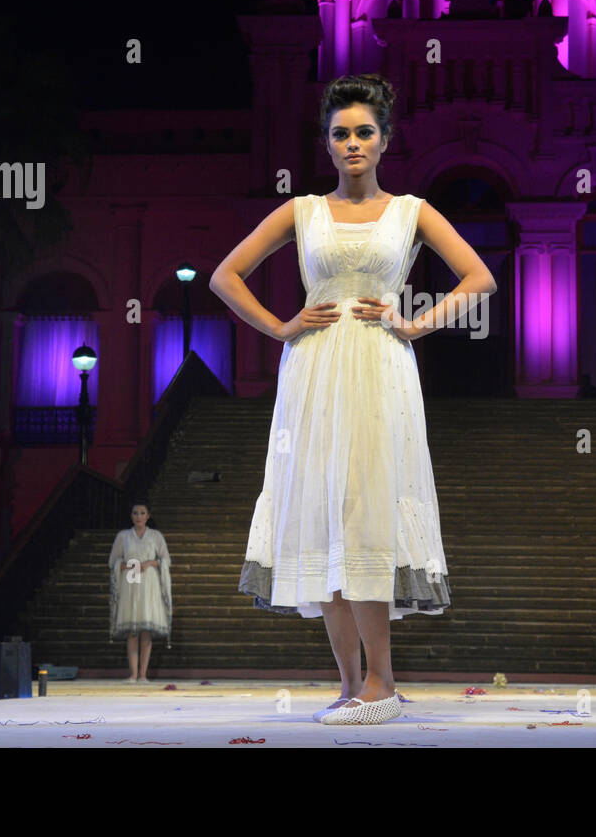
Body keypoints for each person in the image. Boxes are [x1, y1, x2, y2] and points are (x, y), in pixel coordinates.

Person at [209, 73, 497, 725]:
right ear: (327, 144)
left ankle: (382, 683)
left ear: (386, 139)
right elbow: (226, 275)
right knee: (322, 518)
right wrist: (281, 326)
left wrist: (416, 322)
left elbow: (479, 276)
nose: (353, 143)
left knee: (367, 515)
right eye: (340, 133)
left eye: (365, 131)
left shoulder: (412, 211)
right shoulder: (302, 210)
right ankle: (348, 685)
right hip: (312, 372)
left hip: (380, 370)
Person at [108, 502, 173, 683]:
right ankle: (133, 674)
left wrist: (151, 563)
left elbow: (165, 559)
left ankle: (143, 674)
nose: (138, 516)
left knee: (146, 631)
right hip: (131, 579)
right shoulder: (124, 536)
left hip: (148, 582)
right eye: (135, 513)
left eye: (142, 513)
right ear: (131, 516)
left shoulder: (155, 536)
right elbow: (113, 560)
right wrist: (123, 565)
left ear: (148, 516)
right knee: (132, 630)